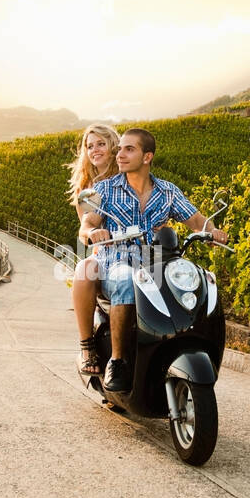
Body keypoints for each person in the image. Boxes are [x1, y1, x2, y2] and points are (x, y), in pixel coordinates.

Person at [77, 127, 227, 391]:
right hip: (117, 266)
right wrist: (92, 231)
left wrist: (212, 232)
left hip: (156, 266)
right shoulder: (105, 189)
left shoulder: (168, 191)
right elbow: (87, 222)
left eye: (128, 149)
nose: (119, 154)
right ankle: (118, 360)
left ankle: (179, 347)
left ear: (147, 157)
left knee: (194, 279)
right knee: (125, 278)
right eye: (119, 148)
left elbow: (195, 220)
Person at [66, 124, 121, 374]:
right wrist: (92, 233)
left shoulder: (129, 174)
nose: (95, 150)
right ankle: (87, 346)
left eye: (101, 143)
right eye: (90, 146)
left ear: (113, 146)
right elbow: (86, 229)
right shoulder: (87, 189)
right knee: (85, 269)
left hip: (139, 250)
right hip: (107, 254)